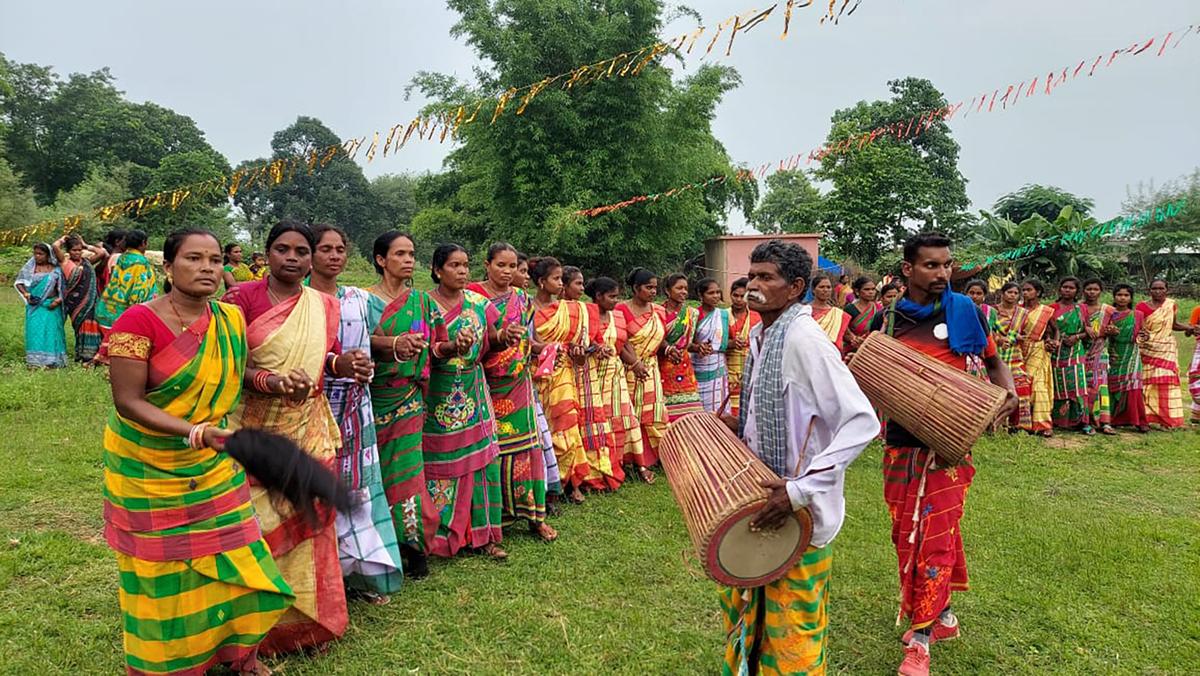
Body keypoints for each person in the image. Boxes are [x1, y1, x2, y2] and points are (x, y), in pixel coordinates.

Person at [102, 228, 293, 676]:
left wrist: (275, 382)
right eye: (194, 259)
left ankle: (239, 653)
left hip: (211, 464)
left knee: (239, 552)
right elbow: (128, 401)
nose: (208, 267)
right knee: (162, 572)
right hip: (148, 468)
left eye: (213, 259)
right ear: (167, 268)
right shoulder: (137, 322)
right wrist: (196, 432)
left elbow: (242, 374)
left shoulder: (228, 320)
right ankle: (170, 662)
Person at [718, 240, 877, 676]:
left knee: (793, 638)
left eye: (766, 277)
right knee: (754, 621)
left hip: (801, 516)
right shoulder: (760, 334)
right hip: (761, 504)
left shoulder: (807, 341)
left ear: (796, 287)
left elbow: (861, 422)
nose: (753, 286)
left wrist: (799, 490)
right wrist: (740, 425)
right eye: (751, 276)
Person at [872, 233, 1016, 676]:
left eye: (947, 265)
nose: (942, 273)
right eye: (931, 266)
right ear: (907, 269)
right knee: (905, 533)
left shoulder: (965, 311)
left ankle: (921, 639)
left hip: (951, 446)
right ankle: (945, 613)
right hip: (900, 441)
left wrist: (1008, 394)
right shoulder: (887, 319)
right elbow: (866, 371)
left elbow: (994, 361)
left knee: (932, 536)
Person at [223, 220, 369, 653]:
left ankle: (307, 624)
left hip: (309, 426)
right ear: (265, 254)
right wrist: (270, 381)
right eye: (282, 249)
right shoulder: (238, 301)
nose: (292, 258)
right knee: (255, 524)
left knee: (310, 519)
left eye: (301, 251)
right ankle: (254, 627)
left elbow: (320, 357)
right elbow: (228, 366)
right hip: (253, 430)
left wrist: (342, 366)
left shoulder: (323, 305)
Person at [308, 224, 404, 602]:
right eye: (326, 249)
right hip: (312, 406)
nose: (334, 255)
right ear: (311, 255)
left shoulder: (358, 298)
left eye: (340, 248)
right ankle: (320, 578)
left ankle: (360, 573)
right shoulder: (299, 301)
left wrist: (394, 344)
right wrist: (337, 365)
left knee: (357, 487)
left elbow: (372, 339)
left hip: (356, 406)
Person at [425, 243, 519, 558]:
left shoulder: (479, 303)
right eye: (454, 265)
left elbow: (491, 339)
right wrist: (449, 348)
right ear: (438, 270)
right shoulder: (424, 305)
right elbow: (420, 350)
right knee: (442, 463)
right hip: (438, 394)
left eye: (465, 265)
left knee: (481, 464)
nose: (463, 271)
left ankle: (486, 535)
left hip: (474, 390)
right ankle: (442, 534)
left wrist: (504, 337)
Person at [366, 231, 446, 578]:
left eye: (412, 253)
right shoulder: (363, 301)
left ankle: (415, 546)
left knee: (409, 473)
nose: (409, 260)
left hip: (410, 397)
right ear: (382, 260)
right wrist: (392, 343)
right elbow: (353, 343)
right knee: (377, 474)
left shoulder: (422, 303)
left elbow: (437, 347)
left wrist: (455, 345)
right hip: (371, 398)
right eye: (400, 254)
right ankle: (381, 544)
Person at [467, 243, 557, 540]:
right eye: (500, 265)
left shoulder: (521, 298)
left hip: (519, 382)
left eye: (511, 266)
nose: (506, 272)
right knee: (493, 451)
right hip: (485, 383)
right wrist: (498, 339)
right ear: (487, 264)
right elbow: (469, 342)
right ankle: (495, 519)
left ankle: (534, 515)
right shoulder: (472, 297)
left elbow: (529, 340)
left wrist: (546, 350)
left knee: (528, 447)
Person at [531, 257, 590, 503]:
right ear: (542, 282)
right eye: (555, 278)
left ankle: (572, 481)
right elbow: (529, 342)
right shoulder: (527, 307)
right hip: (535, 373)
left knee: (568, 422)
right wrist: (551, 348)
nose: (560, 283)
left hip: (563, 373)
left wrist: (576, 352)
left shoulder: (568, 309)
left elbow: (577, 349)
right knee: (543, 430)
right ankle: (549, 482)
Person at [562, 265, 622, 492]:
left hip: (586, 372)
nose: (582, 287)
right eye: (577, 283)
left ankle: (593, 473)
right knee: (568, 423)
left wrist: (599, 349)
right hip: (561, 372)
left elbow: (594, 339)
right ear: (563, 286)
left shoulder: (588, 310)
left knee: (590, 421)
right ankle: (569, 480)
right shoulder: (555, 309)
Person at [515, 251, 564, 508]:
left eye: (523, 271)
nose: (525, 277)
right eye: (518, 271)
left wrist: (552, 348)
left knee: (537, 436)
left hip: (521, 377)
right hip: (493, 381)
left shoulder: (524, 304)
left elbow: (530, 341)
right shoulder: (482, 302)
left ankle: (544, 491)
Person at [586, 276, 645, 487]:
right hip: (591, 375)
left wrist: (636, 363)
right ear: (598, 296)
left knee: (623, 417)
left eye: (616, 297)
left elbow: (624, 344)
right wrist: (595, 349)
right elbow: (578, 341)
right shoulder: (586, 315)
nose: (615, 301)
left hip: (615, 375)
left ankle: (628, 463)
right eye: (611, 297)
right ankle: (599, 467)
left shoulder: (617, 316)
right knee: (598, 422)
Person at [617, 268, 666, 483]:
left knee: (653, 413)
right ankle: (634, 461)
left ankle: (660, 456)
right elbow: (619, 341)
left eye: (655, 287)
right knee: (630, 414)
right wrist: (635, 363)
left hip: (651, 369)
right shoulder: (621, 309)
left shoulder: (659, 311)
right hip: (627, 369)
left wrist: (669, 348)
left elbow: (659, 339)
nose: (653, 291)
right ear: (636, 288)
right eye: (648, 287)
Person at [95, 229, 158, 365]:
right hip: (127, 309)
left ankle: (104, 358)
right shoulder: (141, 262)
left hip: (109, 306)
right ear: (143, 244)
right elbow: (140, 290)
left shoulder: (121, 258)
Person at [1136, 280, 1189, 428]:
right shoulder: (1141, 307)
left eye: (1161, 288)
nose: (1158, 291)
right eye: (1154, 288)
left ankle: (1168, 419)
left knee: (1168, 382)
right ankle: (1146, 417)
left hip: (1166, 349)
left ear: (1167, 290)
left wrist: (1190, 328)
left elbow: (1174, 325)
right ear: (1149, 290)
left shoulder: (1170, 305)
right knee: (1147, 384)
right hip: (1147, 350)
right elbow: (1138, 327)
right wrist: (1142, 336)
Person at [1048, 278, 1093, 434]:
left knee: (1078, 386)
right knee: (1056, 385)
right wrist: (1052, 341)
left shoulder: (1081, 309)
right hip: (1055, 352)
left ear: (1076, 291)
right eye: (1064, 287)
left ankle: (1083, 422)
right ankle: (1058, 420)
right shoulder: (1050, 308)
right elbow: (1046, 330)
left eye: (1071, 288)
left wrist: (1077, 337)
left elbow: (1088, 331)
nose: (1067, 290)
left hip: (1075, 351)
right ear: (1059, 289)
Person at [14, 242, 68, 368]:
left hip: (52, 306)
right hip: (35, 306)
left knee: (52, 332)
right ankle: (35, 361)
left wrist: (59, 300)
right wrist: (26, 294)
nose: (37, 256)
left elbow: (64, 288)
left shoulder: (56, 269)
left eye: (41, 254)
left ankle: (53, 361)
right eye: (35, 253)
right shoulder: (30, 268)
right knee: (35, 332)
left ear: (48, 255)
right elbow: (19, 282)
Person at [660, 273, 705, 421]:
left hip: (685, 367)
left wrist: (699, 348)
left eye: (685, 288)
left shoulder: (692, 313)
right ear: (668, 290)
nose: (684, 292)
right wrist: (667, 349)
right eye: (679, 288)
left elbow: (687, 343)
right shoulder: (658, 312)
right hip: (663, 368)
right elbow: (654, 341)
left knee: (692, 415)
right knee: (667, 415)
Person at [52, 234, 103, 363]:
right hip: (75, 303)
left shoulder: (87, 262)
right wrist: (62, 239)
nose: (77, 252)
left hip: (91, 302)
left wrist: (86, 245)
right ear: (69, 251)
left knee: (92, 326)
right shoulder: (65, 262)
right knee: (80, 328)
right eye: (74, 250)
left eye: (80, 250)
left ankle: (92, 355)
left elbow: (102, 252)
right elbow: (54, 246)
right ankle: (81, 355)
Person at [1107, 284, 1150, 432]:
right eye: (1119, 295)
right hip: (1113, 352)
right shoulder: (1108, 314)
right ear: (1114, 296)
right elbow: (1101, 333)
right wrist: (1109, 332)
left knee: (1133, 386)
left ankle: (1139, 421)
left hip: (1131, 353)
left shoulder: (1137, 315)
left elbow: (1143, 334)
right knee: (1111, 385)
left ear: (1131, 298)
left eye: (1126, 295)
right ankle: (1112, 418)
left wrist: (1144, 336)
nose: (1122, 298)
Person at [1019, 279, 1057, 437]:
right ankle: (1023, 423)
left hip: (1038, 349)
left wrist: (1055, 341)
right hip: (1019, 349)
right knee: (1021, 384)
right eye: (1024, 290)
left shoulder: (1046, 311)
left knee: (1038, 385)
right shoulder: (1018, 310)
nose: (1025, 293)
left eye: (1029, 290)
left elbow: (1055, 330)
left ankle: (1043, 424)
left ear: (1038, 292)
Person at [994, 282, 1033, 431]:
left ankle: (1019, 424)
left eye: (1016, 293)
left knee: (1021, 386)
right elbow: (987, 331)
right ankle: (997, 424)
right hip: (996, 355)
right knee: (999, 388)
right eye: (1009, 292)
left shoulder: (1023, 314)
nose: (1012, 295)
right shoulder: (993, 311)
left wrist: (1018, 337)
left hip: (1016, 355)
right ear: (1002, 293)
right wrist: (999, 339)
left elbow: (1027, 334)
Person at [1081, 278, 1117, 435]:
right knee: (1082, 386)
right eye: (1088, 289)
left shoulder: (1108, 310)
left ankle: (1105, 421)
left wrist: (1111, 330)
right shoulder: (1078, 308)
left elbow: (1114, 330)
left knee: (1101, 386)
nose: (1091, 292)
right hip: (1080, 351)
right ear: (1083, 290)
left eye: (1095, 289)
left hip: (1100, 351)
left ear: (1100, 291)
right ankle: (1086, 420)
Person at [692, 277, 731, 414]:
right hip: (697, 365)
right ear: (700, 295)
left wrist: (737, 342)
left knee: (718, 407)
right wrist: (698, 347)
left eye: (718, 292)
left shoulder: (723, 315)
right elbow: (685, 343)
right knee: (698, 407)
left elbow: (724, 343)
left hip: (718, 364)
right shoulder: (693, 315)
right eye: (711, 293)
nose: (716, 296)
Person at [726, 277, 761, 419]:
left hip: (751, 370)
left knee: (749, 411)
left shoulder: (757, 316)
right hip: (727, 370)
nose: (739, 299)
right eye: (736, 295)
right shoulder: (722, 316)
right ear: (730, 295)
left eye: (743, 296)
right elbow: (716, 342)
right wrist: (731, 343)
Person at [963, 280, 997, 381]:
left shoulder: (991, 312)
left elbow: (995, 331)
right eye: (971, 293)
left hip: (983, 354)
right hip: (964, 352)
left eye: (979, 293)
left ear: (984, 296)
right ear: (966, 294)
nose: (974, 296)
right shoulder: (958, 309)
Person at [809, 272, 850, 352]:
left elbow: (847, 335)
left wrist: (856, 340)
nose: (825, 290)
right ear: (813, 290)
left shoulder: (837, 313)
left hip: (831, 355)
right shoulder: (805, 311)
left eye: (828, 287)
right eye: (821, 287)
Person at [844, 275, 882, 354]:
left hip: (873, 350)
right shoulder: (850, 309)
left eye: (873, 289)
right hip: (852, 350)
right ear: (857, 291)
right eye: (867, 289)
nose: (871, 292)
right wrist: (854, 339)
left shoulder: (878, 308)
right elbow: (844, 330)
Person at [1190, 302, 1200, 425]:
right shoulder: (1198, 310)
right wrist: (1193, 329)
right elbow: (1189, 331)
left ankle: (1196, 413)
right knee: (1195, 376)